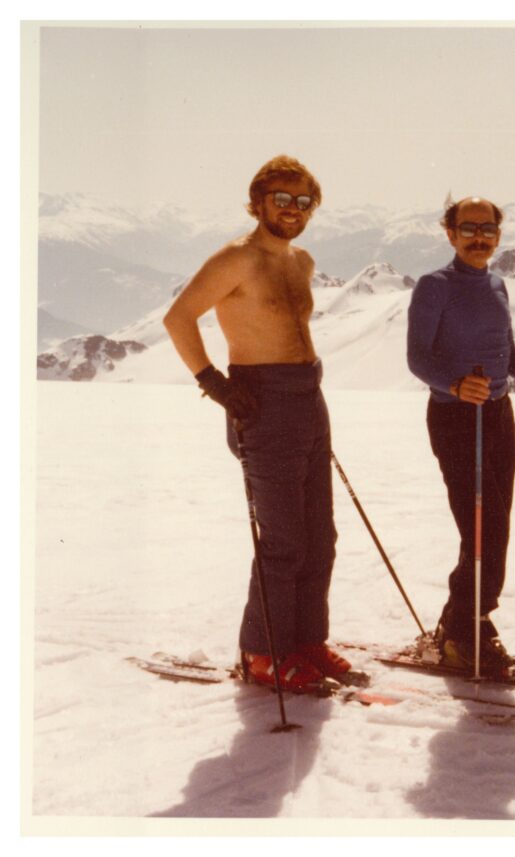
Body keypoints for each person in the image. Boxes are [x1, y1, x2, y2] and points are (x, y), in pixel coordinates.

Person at [162, 154, 349, 691]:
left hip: (308, 395)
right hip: (261, 400)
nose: (292, 210)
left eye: (303, 201)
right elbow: (178, 318)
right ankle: (261, 653)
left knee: (320, 533)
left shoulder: (301, 261)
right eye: (282, 199)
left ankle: (306, 639)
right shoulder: (236, 259)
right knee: (285, 537)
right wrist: (214, 383)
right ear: (259, 200)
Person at [407, 196, 515, 676]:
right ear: (450, 233)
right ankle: (468, 631)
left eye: (487, 229)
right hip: (457, 419)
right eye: (468, 228)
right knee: (484, 529)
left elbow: (506, 354)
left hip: (499, 417)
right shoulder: (434, 287)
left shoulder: (497, 284)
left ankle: (459, 623)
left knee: (491, 528)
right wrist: (456, 385)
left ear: (498, 236)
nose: (478, 237)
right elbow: (418, 358)